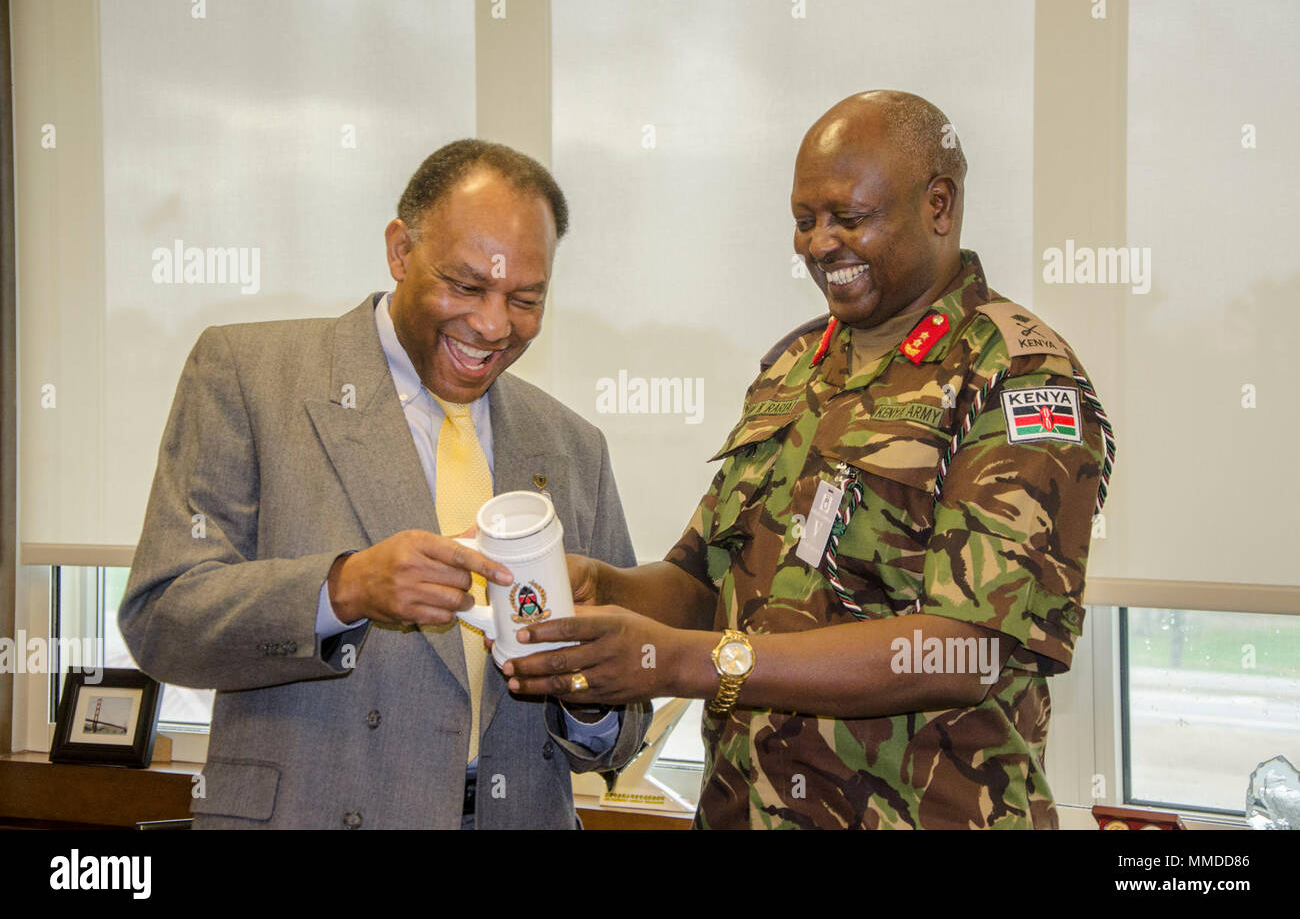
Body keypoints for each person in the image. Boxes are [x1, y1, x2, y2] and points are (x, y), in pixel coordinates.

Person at [504, 91, 1116, 829]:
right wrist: (604, 588)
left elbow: (964, 653)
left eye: (848, 218)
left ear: (940, 207)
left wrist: (686, 662)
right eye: (804, 220)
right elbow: (706, 582)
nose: (818, 244)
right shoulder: (796, 365)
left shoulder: (1019, 378)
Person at [120, 140, 650, 829]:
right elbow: (163, 620)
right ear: (401, 250)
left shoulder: (575, 447)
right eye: (465, 286)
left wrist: (585, 690)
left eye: (524, 299)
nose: (493, 325)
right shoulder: (249, 376)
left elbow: (624, 723)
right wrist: (343, 589)